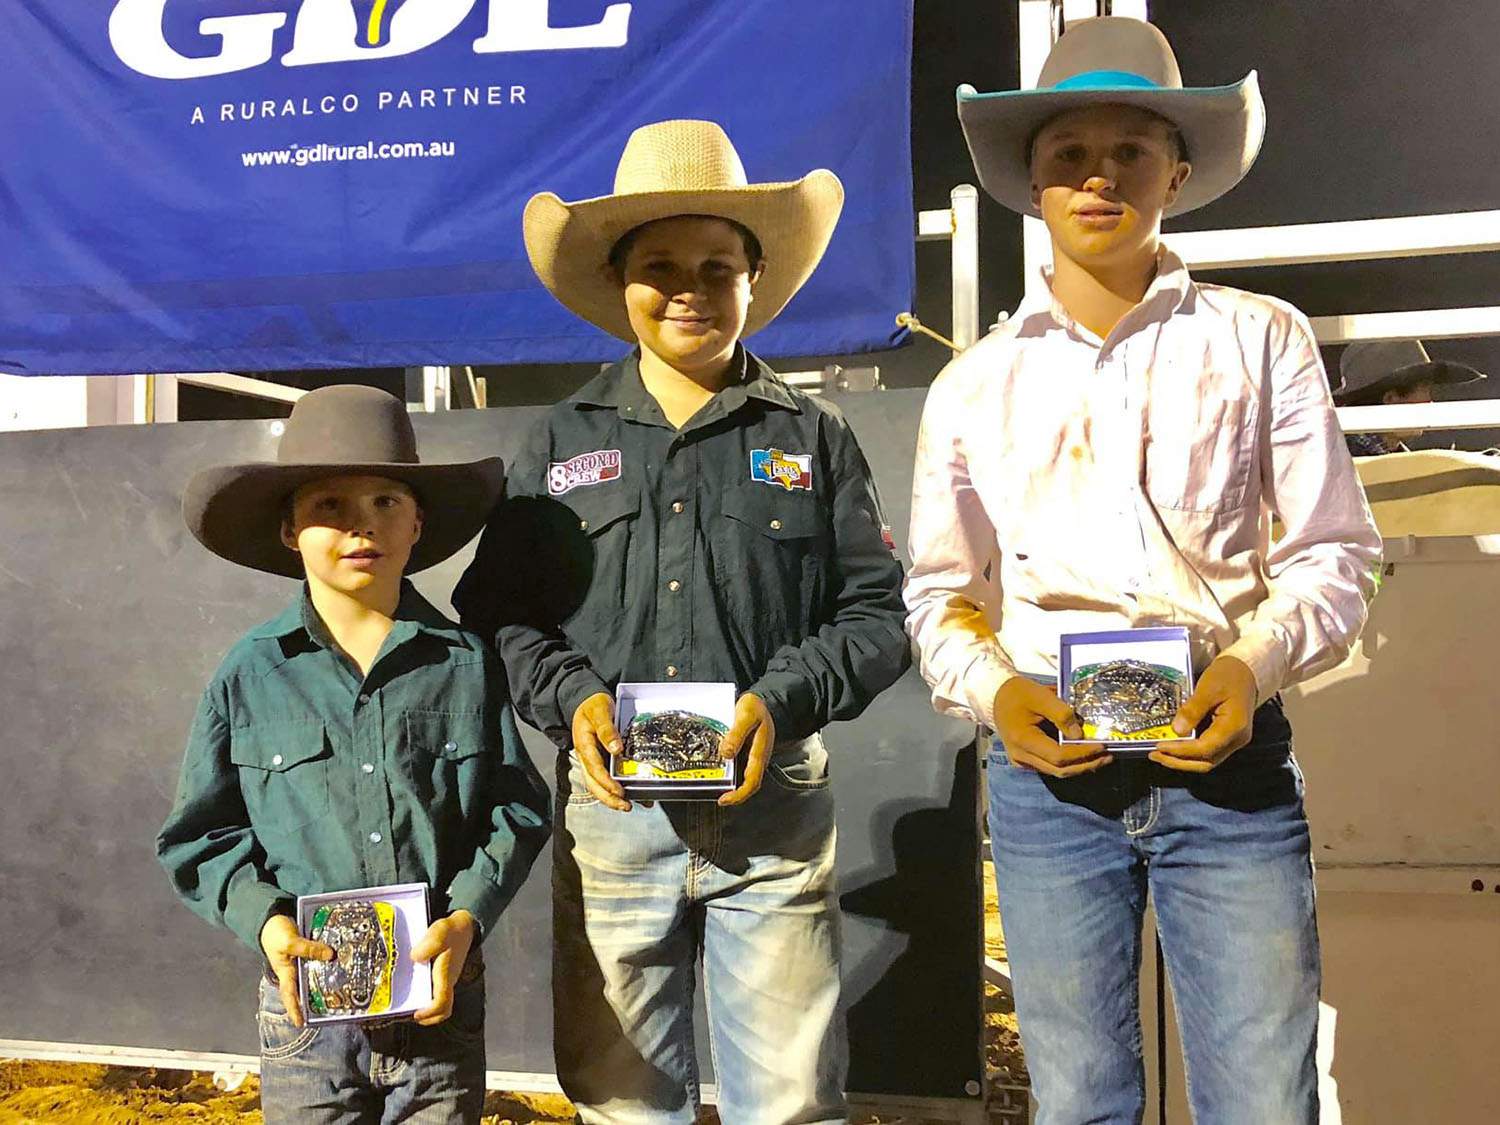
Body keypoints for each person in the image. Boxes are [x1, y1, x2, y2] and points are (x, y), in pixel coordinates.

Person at [904, 18, 1382, 1124]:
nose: (1098, 174)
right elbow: (940, 594)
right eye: (1070, 151)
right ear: (1033, 180)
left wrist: (1250, 670)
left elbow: (1332, 553)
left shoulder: (1263, 339)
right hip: (1047, 785)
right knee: (1076, 1098)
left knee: (1265, 1096)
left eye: (1130, 149)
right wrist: (999, 695)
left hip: (1234, 773)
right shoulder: (972, 387)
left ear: (1177, 170)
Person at [453, 119, 909, 1124]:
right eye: (660, 267)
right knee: (620, 1103)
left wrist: (780, 702)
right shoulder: (559, 442)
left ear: (755, 276)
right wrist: (570, 700)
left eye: (717, 265)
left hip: (775, 816)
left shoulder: (815, 437)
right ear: (620, 283)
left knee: (789, 1104)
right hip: (611, 820)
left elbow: (879, 615)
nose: (689, 289)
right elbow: (499, 615)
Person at [157, 384, 550, 1124]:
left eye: (384, 502)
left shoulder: (464, 663)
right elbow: (197, 837)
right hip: (307, 1014)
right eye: (329, 506)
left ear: (418, 521)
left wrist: (466, 916)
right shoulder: (249, 674)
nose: (359, 526)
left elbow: (518, 804)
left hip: (441, 998)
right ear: (289, 530)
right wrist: (268, 924)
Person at [1336, 338, 1487, 456]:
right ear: (1391, 399)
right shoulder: (1357, 464)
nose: (1430, 402)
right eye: (1425, 391)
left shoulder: (1339, 456)